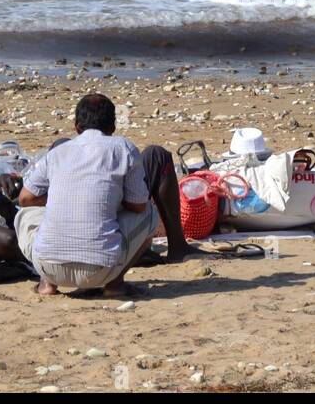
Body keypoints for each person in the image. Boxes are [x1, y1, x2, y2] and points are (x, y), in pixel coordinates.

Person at [14, 93, 187, 298]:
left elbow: (25, 198)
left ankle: (47, 285)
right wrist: (112, 198)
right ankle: (115, 284)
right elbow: (139, 206)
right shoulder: (122, 148)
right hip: (101, 271)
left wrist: (63, 196)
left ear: (77, 127)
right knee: (149, 213)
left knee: (24, 215)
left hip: (48, 267)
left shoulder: (58, 152)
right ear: (112, 127)